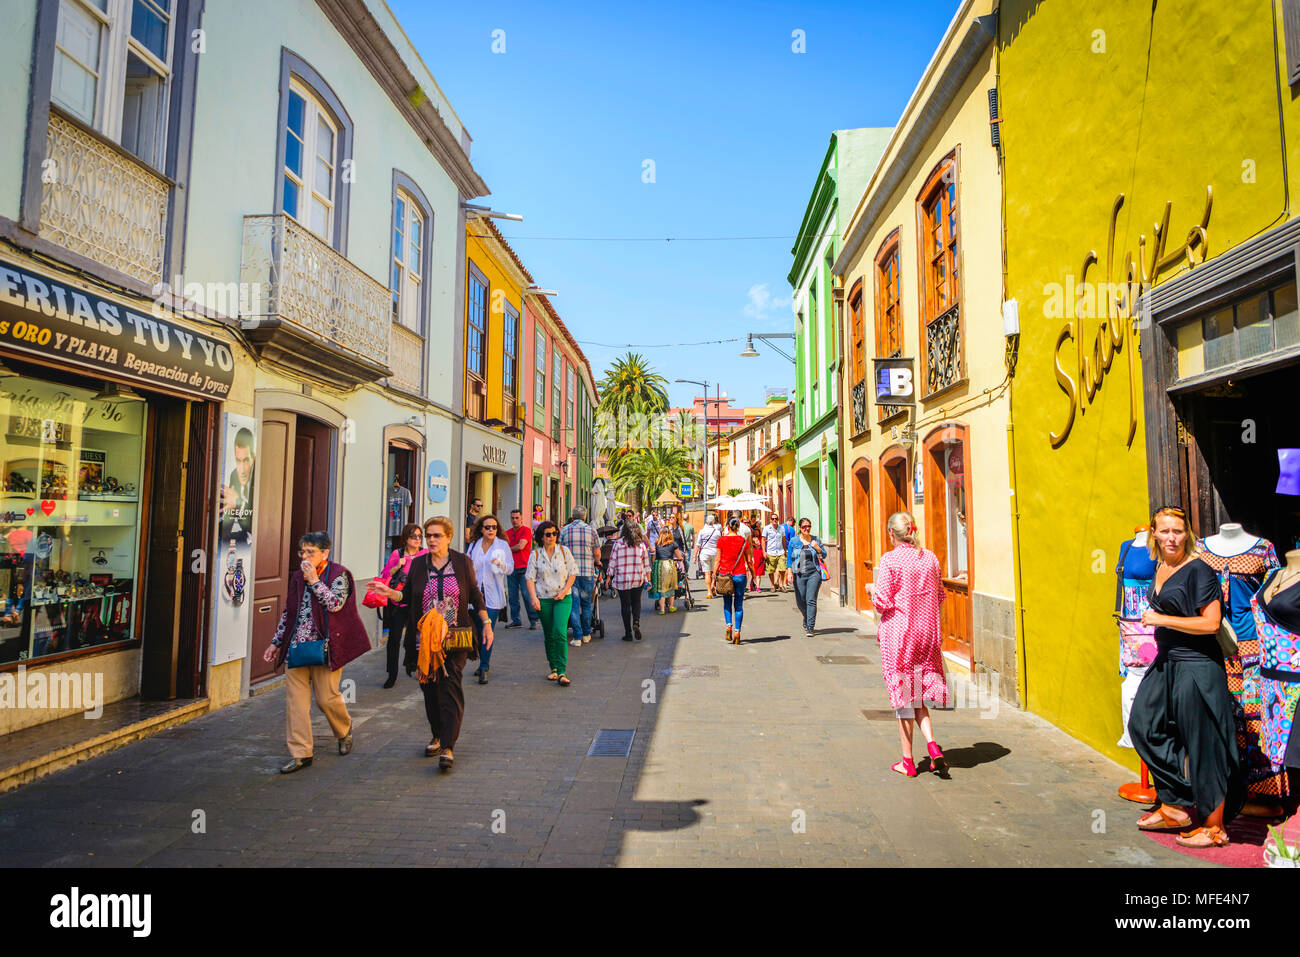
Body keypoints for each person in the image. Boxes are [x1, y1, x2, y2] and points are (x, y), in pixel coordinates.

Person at [1128, 505, 1244, 848]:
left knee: (1204, 742)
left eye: (1177, 531)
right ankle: (1175, 803)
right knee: (1144, 725)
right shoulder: (1162, 565)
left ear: (1187, 534)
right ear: (1154, 533)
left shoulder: (1199, 571)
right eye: (1164, 531)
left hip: (1197, 665)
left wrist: (1162, 620)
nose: (1171, 537)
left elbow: (1210, 623)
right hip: (1168, 663)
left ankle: (1214, 826)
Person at [264, 531, 372, 774]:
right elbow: (288, 612)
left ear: (325, 553)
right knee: (296, 705)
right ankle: (301, 753)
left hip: (325, 648)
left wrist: (314, 580)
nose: (304, 556)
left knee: (326, 698)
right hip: (296, 649)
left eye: (309, 552)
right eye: (302, 552)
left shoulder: (339, 574)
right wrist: (276, 642)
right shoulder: (296, 577)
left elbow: (335, 604)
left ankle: (343, 730)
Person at [400, 516, 494, 770]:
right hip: (425, 641)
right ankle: (438, 734)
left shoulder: (462, 562)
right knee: (430, 690)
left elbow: (474, 593)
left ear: (449, 537)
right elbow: (406, 596)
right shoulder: (418, 565)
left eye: (436, 535)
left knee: (450, 687)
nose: (430, 540)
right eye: (428, 535)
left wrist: (485, 623)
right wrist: (390, 593)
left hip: (455, 638)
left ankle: (448, 746)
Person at [865, 512, 951, 778]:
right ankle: (933, 746)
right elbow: (940, 596)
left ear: (892, 533)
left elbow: (882, 602)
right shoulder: (930, 558)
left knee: (904, 699)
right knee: (915, 695)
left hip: (901, 637)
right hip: (926, 635)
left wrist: (870, 589)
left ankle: (907, 761)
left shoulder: (890, 560)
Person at [366, 523, 426, 689]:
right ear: (406, 538)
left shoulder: (426, 554)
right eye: (414, 536)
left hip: (418, 603)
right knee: (394, 639)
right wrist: (397, 566)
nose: (417, 539)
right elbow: (385, 575)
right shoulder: (397, 554)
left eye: (420, 536)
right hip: (397, 602)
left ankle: (420, 669)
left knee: (419, 638)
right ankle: (392, 674)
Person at [526, 520, 578, 686]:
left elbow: (573, 573)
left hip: (563, 598)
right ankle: (553, 667)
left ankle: (562, 671)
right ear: (542, 537)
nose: (552, 537)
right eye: (548, 534)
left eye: (555, 533)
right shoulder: (535, 555)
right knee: (549, 634)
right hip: (543, 598)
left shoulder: (564, 552)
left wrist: (564, 591)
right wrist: (533, 598)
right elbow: (530, 578)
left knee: (560, 632)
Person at [467, 513, 512, 684]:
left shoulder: (502, 546)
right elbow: (467, 567)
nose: (491, 530)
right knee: (478, 633)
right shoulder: (473, 546)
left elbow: (510, 569)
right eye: (487, 527)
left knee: (488, 631)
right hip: (476, 596)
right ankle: (482, 662)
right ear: (481, 529)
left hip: (493, 596)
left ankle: (484, 666)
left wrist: (501, 564)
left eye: (494, 527)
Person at [560, 506, 601, 646]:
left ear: (572, 515)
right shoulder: (591, 530)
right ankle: (586, 634)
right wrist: (597, 562)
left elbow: (559, 551)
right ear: (585, 516)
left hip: (570, 574)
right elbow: (596, 552)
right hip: (587, 572)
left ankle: (577, 637)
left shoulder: (565, 530)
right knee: (587, 604)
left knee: (573, 605)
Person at [608, 522, 651, 640]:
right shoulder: (641, 545)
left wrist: (608, 578)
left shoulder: (617, 543)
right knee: (636, 602)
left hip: (622, 579)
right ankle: (636, 622)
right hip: (638, 578)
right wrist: (649, 580)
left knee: (625, 605)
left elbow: (612, 562)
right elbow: (646, 564)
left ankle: (628, 633)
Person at [788, 517, 828, 637]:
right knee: (800, 602)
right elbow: (789, 558)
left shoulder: (815, 540)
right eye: (804, 526)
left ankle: (810, 627)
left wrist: (817, 548)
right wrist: (789, 573)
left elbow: (824, 554)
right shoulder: (794, 541)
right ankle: (807, 618)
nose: (807, 528)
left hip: (814, 573)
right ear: (800, 528)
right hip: (799, 573)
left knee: (811, 600)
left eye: (809, 526)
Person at [716, 517, 750, 645]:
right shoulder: (743, 541)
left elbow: (717, 560)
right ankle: (737, 632)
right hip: (740, 574)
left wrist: (714, 576)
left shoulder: (721, 540)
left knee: (727, 602)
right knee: (739, 604)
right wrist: (752, 572)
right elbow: (749, 560)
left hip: (725, 575)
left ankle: (728, 625)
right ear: (738, 527)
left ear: (728, 527)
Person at [504, 509, 539, 630]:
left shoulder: (526, 530)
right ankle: (516, 620)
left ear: (521, 518)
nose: (514, 520)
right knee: (513, 596)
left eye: (517, 518)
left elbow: (521, 546)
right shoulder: (507, 533)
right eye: (512, 518)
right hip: (511, 568)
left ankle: (533, 619)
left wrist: (507, 549)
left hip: (525, 568)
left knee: (527, 594)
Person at [649, 527, 684, 614]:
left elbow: (654, 554)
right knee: (671, 586)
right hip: (669, 565)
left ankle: (662, 609)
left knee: (661, 588)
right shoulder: (673, 544)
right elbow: (679, 557)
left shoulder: (657, 543)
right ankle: (671, 606)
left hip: (659, 565)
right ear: (669, 534)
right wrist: (681, 559)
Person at [694, 513, 722, 597]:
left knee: (707, 573)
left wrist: (695, 556)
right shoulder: (717, 532)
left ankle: (709, 592)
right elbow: (720, 544)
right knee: (714, 572)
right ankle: (714, 587)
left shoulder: (702, 531)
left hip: (704, 553)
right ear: (713, 522)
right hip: (715, 553)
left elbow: (698, 545)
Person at [780, 516, 798, 590]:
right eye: (793, 524)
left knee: (779, 567)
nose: (793, 525)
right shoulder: (791, 529)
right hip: (787, 549)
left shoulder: (780, 526)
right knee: (787, 566)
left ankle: (777, 582)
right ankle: (784, 583)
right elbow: (792, 541)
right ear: (791, 522)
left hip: (778, 549)